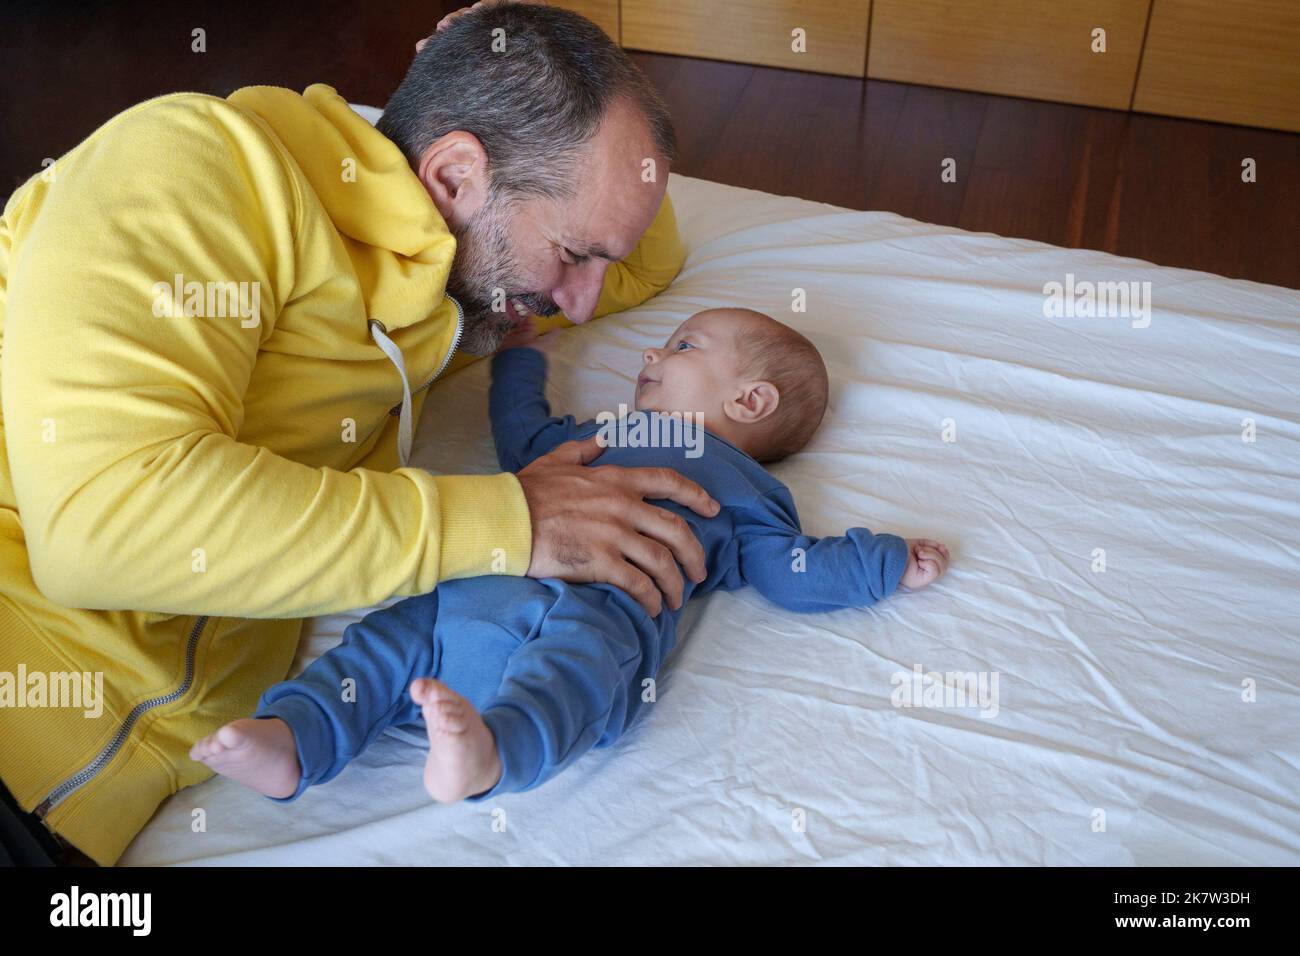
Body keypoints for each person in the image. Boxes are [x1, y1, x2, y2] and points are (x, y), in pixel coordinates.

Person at [0, 3, 719, 865]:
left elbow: (649, 257)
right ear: (453, 178)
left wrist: (540, 58)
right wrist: (512, 523)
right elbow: (100, 528)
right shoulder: (192, 164)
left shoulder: (445, 294)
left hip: (93, 813)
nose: (587, 301)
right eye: (572, 256)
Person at [192, 309, 951, 804]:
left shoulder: (747, 493)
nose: (654, 351)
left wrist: (883, 561)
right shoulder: (596, 433)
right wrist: (520, 361)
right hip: (480, 576)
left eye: (685, 345)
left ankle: (493, 751)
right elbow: (524, 436)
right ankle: (294, 738)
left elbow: (795, 572)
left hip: (601, 606)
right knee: (385, 641)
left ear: (750, 402)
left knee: (576, 670)